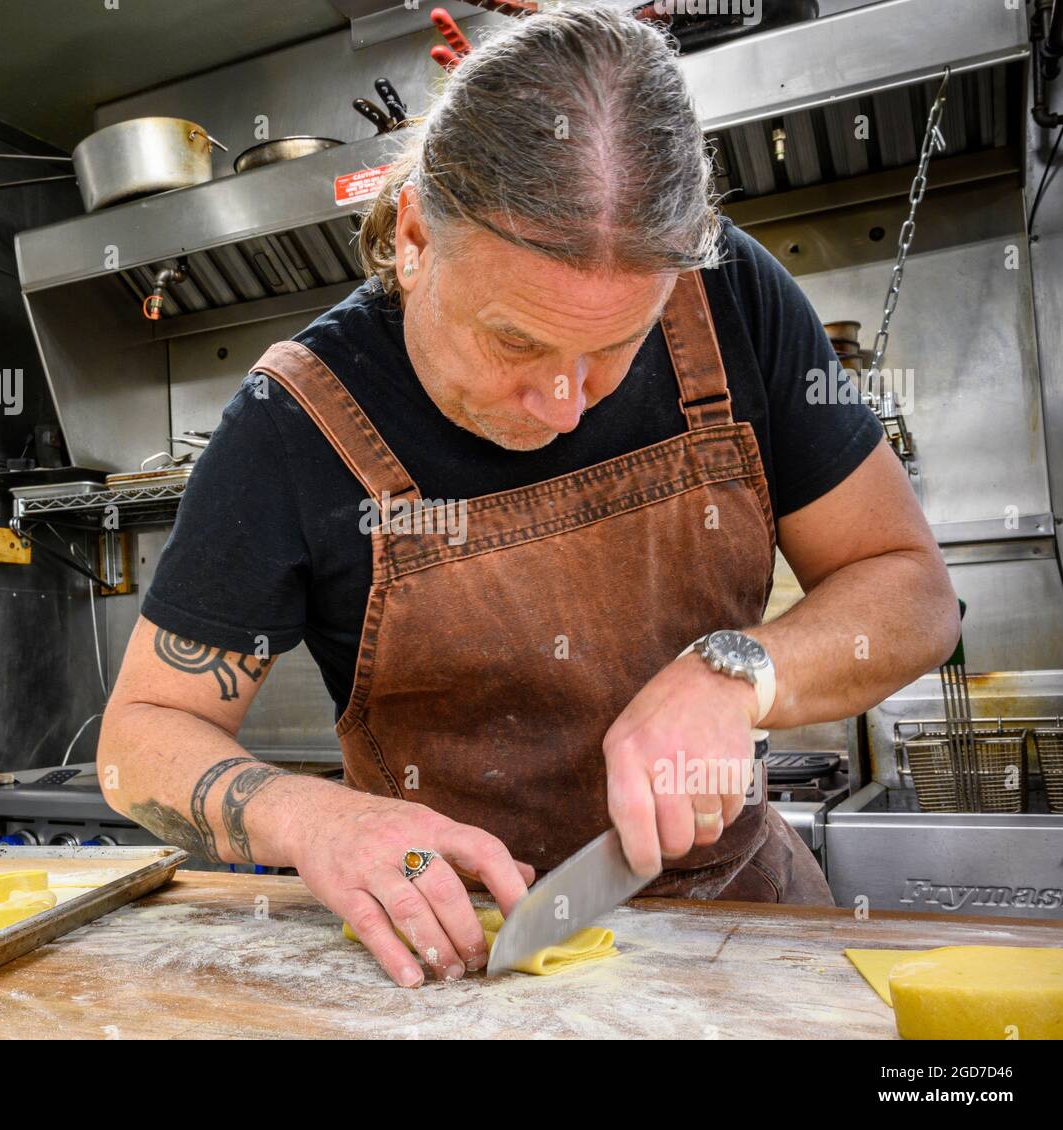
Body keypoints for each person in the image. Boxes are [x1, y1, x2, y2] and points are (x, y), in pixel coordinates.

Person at [98, 3, 959, 988]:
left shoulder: (730, 299)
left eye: (611, 353)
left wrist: (739, 668)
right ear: (416, 235)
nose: (560, 405)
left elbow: (909, 590)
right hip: (459, 964)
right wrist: (315, 820)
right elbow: (137, 741)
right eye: (514, 340)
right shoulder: (293, 420)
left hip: (741, 935)